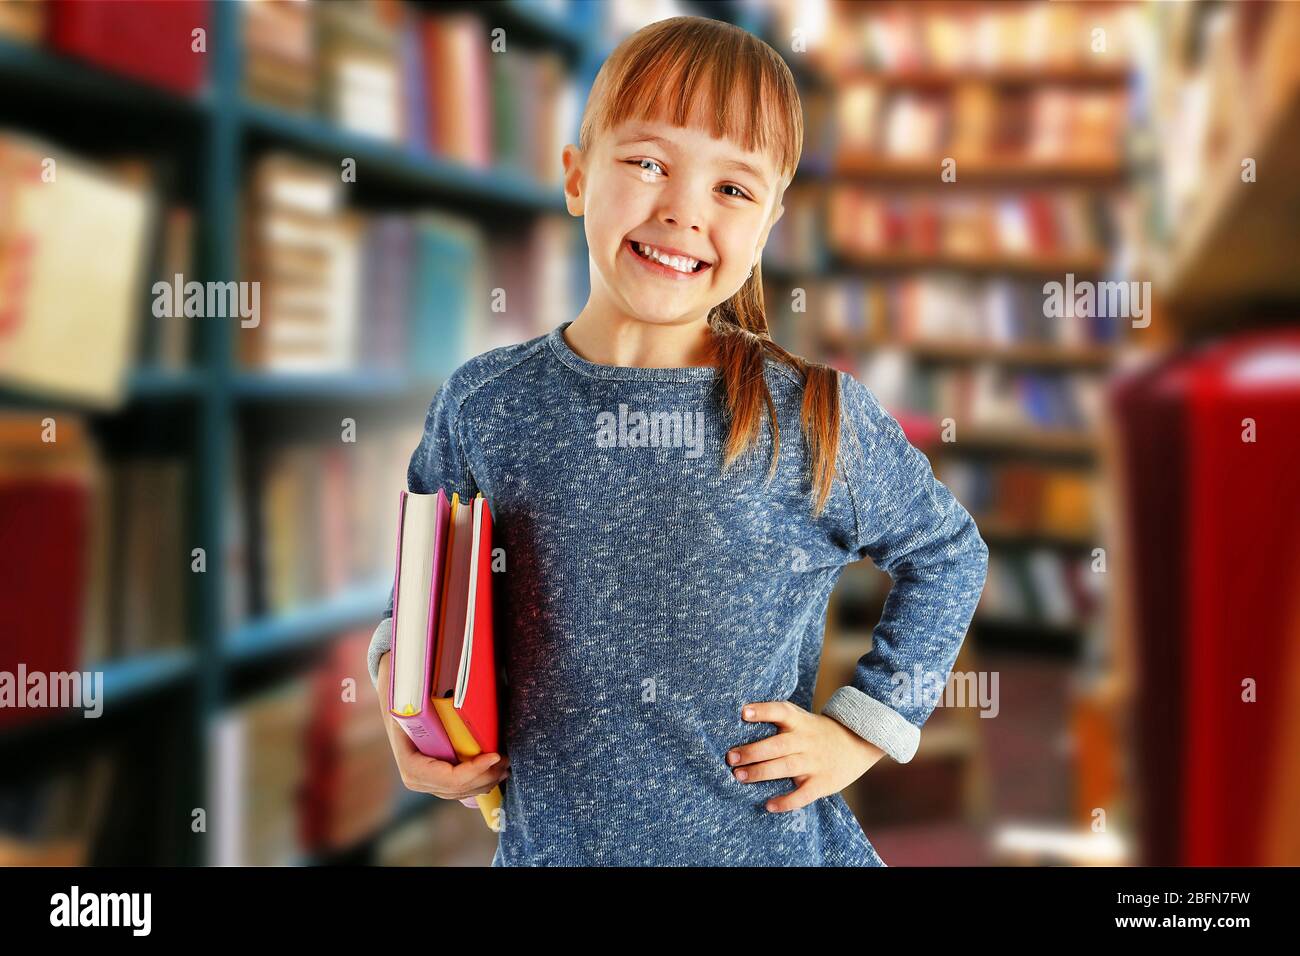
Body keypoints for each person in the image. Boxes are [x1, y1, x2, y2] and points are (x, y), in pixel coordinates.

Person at [368, 15, 988, 866]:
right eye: (649, 163)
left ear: (769, 221)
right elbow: (418, 596)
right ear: (577, 177)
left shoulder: (809, 415)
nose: (682, 211)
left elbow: (950, 553)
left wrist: (863, 731)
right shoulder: (485, 404)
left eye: (732, 189)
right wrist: (403, 712)